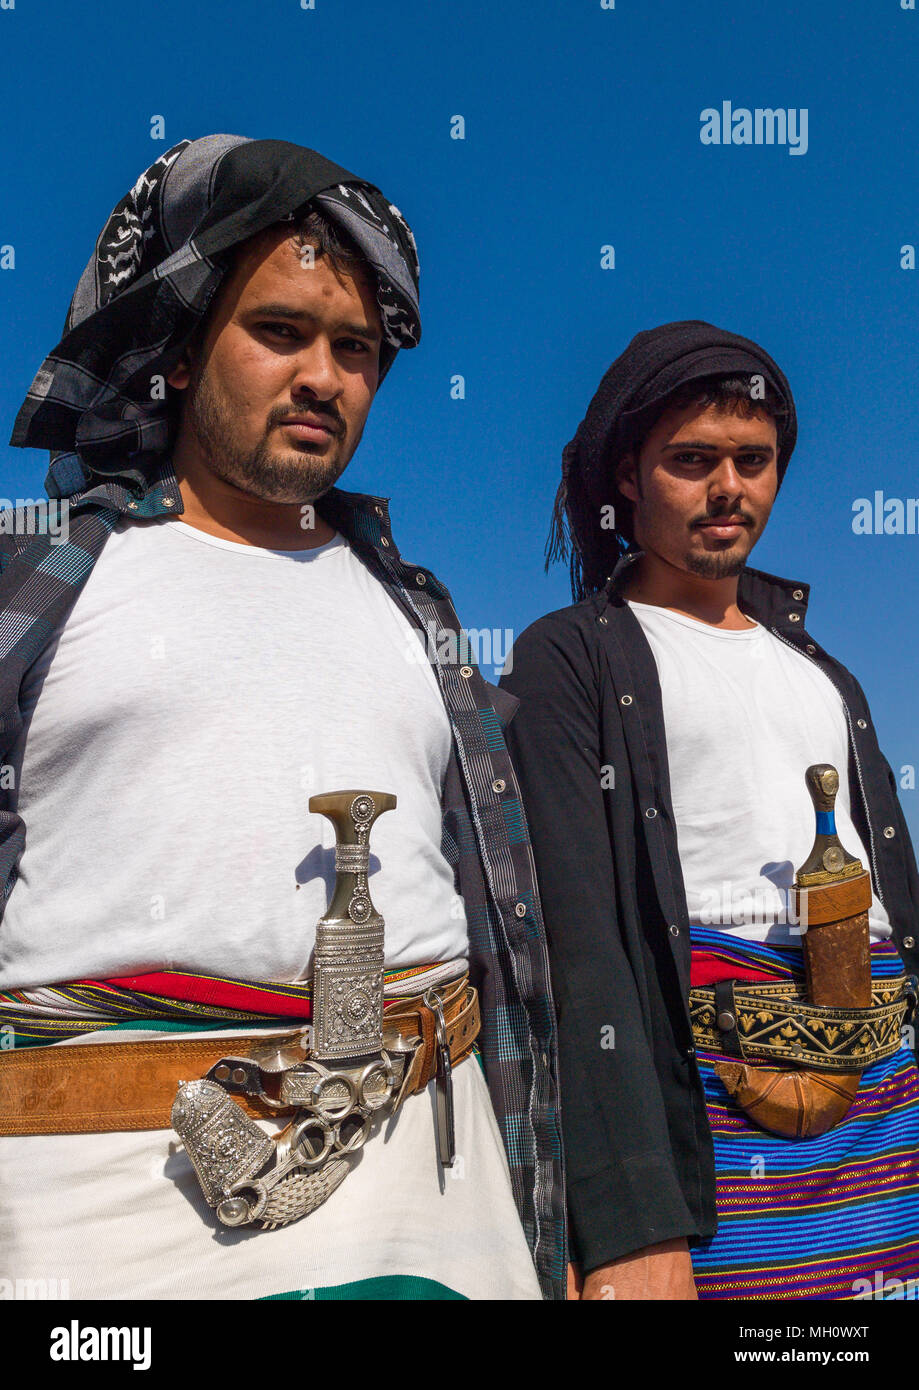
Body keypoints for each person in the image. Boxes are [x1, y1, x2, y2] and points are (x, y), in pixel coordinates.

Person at [0, 134, 564, 1302]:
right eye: (279, 332)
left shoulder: (417, 613)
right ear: (183, 345)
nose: (324, 376)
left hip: (433, 1182)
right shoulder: (38, 577)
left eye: (355, 350)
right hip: (94, 1200)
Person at [500, 320, 919, 1300]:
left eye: (753, 460)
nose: (728, 487)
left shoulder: (824, 674)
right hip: (706, 1111)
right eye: (691, 460)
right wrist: (617, 1218)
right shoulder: (570, 660)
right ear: (629, 477)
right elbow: (574, 942)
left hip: (886, 1104)